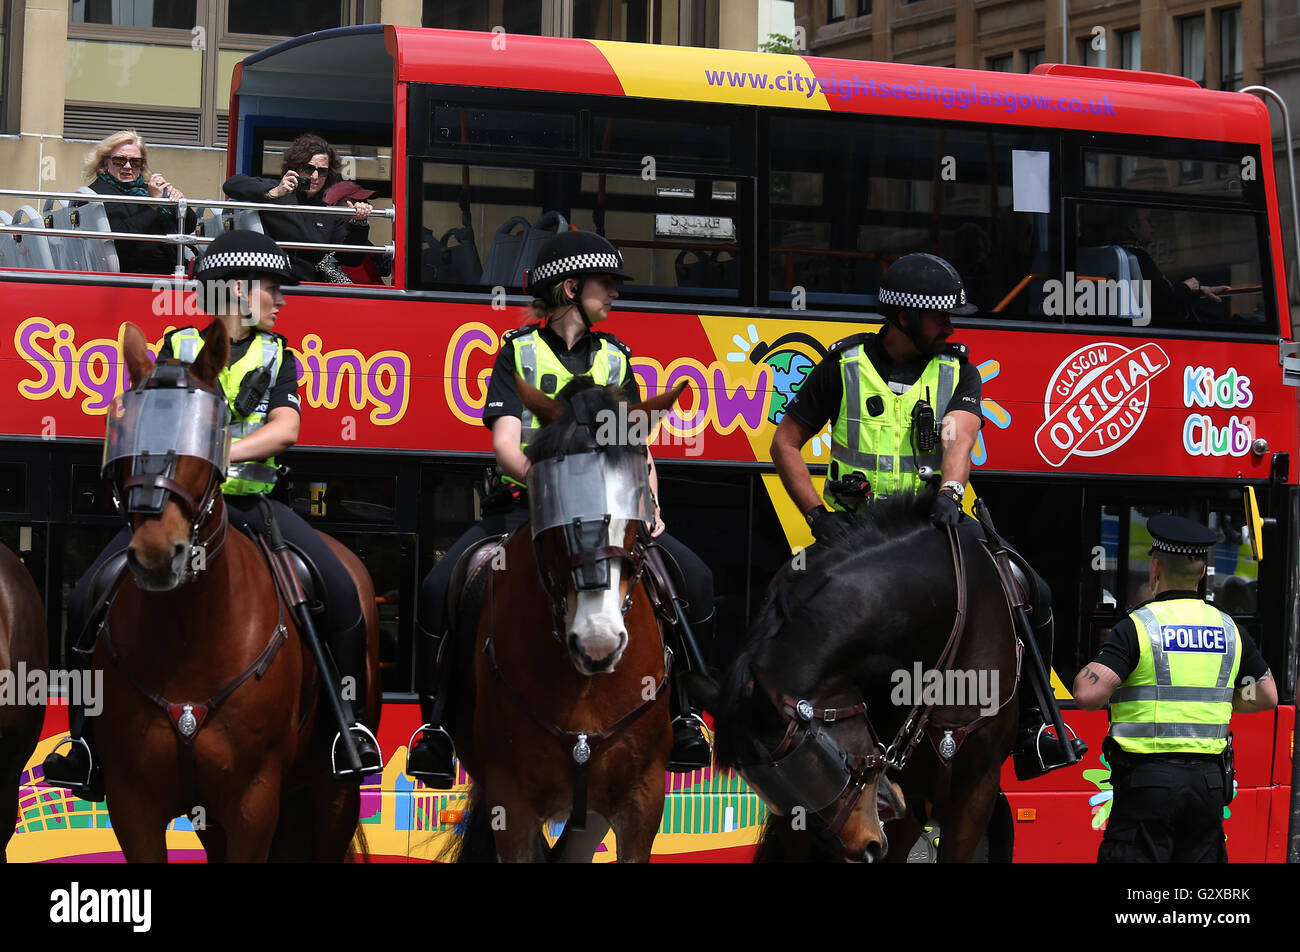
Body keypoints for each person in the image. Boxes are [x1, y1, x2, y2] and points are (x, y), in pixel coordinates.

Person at [42, 231, 381, 798]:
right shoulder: (172, 347)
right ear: (237, 293)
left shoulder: (280, 355)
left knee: (344, 595)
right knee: (85, 598)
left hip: (253, 505)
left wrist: (218, 452)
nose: (281, 300)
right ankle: (85, 743)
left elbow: (285, 429)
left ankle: (348, 733)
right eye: (272, 289)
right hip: (179, 507)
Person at [406, 230, 715, 787]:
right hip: (523, 512)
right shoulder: (516, 351)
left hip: (610, 518)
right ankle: (438, 730)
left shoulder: (617, 357)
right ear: (569, 288)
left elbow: (636, 444)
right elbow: (505, 444)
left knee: (694, 577)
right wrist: (550, 490)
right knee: (438, 590)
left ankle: (686, 714)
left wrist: (650, 502)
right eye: (606, 284)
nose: (615, 294)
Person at [769, 252, 1085, 779]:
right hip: (856, 530)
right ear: (903, 318)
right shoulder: (842, 364)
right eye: (940, 316)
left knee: (1033, 590)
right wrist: (818, 518)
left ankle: (1035, 724)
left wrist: (951, 490)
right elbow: (785, 444)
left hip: (931, 524)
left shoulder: (957, 367)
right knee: (783, 595)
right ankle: (770, 724)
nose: (951, 325)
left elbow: (959, 434)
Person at [1073, 514, 1277, 863]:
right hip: (1209, 785)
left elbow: (1087, 695)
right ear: (1201, 574)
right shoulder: (1229, 628)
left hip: (1148, 783)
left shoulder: (1139, 626)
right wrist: (1223, 701)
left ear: (1155, 569)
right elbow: (1268, 695)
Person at [222, 133, 373, 283]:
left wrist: (360, 222)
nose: (315, 176)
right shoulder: (278, 191)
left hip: (308, 289)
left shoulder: (328, 213)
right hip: (272, 282)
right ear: (296, 168)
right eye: (308, 169)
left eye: (322, 171)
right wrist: (272, 193)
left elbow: (352, 259)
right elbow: (232, 184)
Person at [82, 130, 197, 275]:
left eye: (135, 161)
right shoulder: (96, 193)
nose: (128, 166)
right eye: (119, 160)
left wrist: (176, 203)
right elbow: (119, 238)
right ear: (105, 162)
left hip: (171, 269)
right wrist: (153, 204)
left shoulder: (147, 189)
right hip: (137, 274)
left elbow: (188, 227)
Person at [1112, 206, 1228, 324]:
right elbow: (1164, 301)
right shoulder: (1136, 256)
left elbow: (1157, 292)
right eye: (1148, 220)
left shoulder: (1122, 254)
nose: (1154, 225)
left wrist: (1198, 290)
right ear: (1133, 227)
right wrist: (1187, 287)